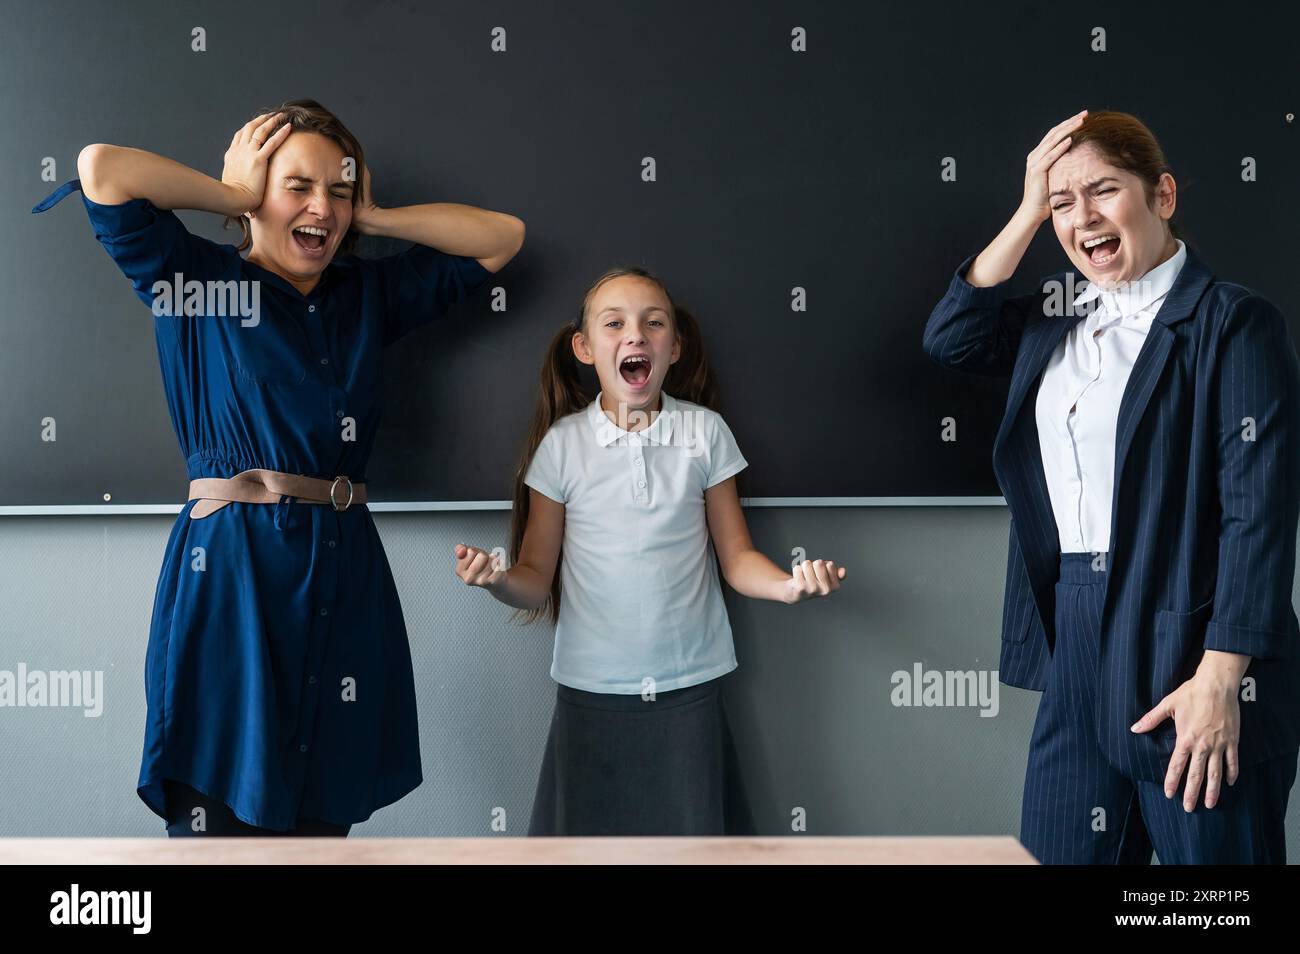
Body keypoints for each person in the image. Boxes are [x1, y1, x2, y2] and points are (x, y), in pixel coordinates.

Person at [31, 99, 524, 836]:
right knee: (220, 807)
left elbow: (501, 239)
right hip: (231, 574)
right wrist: (230, 193)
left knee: (323, 811)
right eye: (298, 186)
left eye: (340, 189)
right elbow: (101, 169)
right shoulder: (191, 277)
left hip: (344, 565)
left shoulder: (370, 295)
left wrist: (376, 216)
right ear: (259, 192)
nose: (321, 207)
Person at [922, 109, 1300, 863]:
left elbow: (1258, 512)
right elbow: (951, 336)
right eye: (1065, 202)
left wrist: (1222, 677)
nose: (1083, 217)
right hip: (1077, 630)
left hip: (1190, 642)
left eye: (1103, 190)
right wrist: (1032, 207)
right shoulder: (1057, 322)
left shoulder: (1234, 322)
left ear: (1161, 196)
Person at [452, 267, 846, 835]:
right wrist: (495, 580)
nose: (635, 336)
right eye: (615, 324)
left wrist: (789, 585)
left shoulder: (707, 434)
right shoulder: (562, 445)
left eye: (653, 323)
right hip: (591, 690)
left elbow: (737, 560)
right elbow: (535, 576)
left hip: (689, 686)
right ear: (584, 349)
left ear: (675, 347)